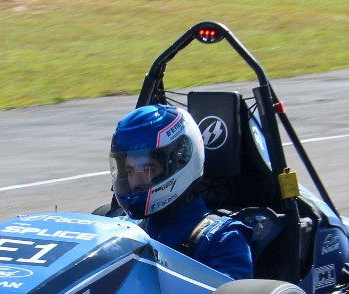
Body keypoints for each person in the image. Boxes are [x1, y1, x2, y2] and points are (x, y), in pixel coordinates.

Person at [109, 104, 254, 280]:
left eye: (148, 169)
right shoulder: (121, 227)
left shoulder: (222, 240)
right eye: (130, 171)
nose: (136, 183)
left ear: (181, 162)